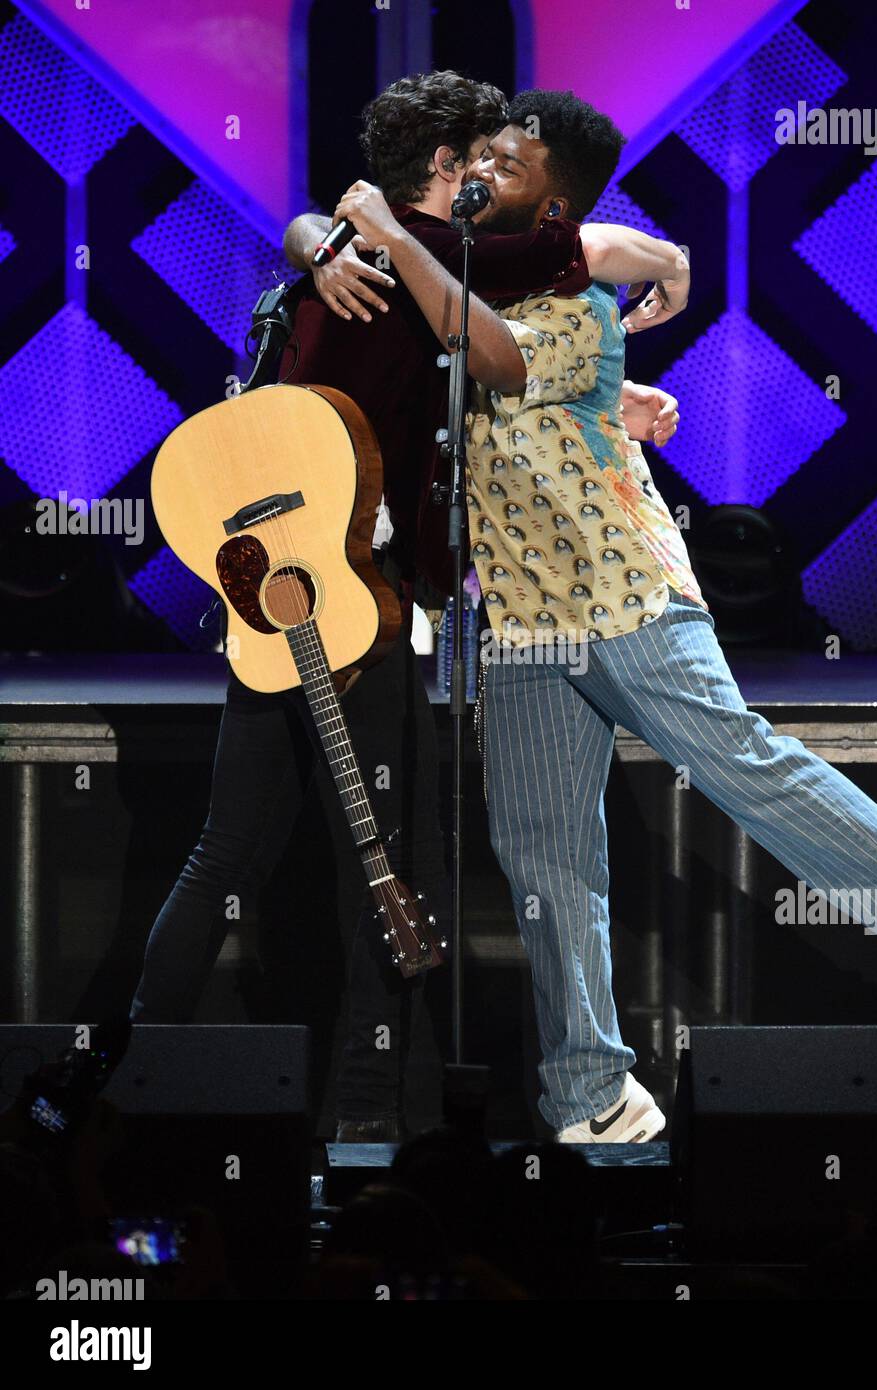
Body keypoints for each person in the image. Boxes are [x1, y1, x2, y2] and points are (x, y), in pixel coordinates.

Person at [334, 88, 877, 1145]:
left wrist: (390, 235)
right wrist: (342, 236)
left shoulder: (576, 306)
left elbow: (490, 354)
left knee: (740, 760)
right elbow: (350, 271)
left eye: (506, 165)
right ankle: (592, 1093)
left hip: (623, 596)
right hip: (518, 620)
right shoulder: (471, 272)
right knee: (545, 856)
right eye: (479, 155)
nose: (480, 173)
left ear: (551, 207)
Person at [134, 71, 683, 1144]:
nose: (489, 172)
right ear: (442, 167)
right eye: (479, 154)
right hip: (361, 616)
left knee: (229, 847)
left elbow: (448, 375)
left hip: (271, 614)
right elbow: (579, 256)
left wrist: (606, 395)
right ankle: (382, 1125)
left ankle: (133, 1076)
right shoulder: (411, 264)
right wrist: (667, 257)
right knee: (392, 878)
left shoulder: (341, 271)